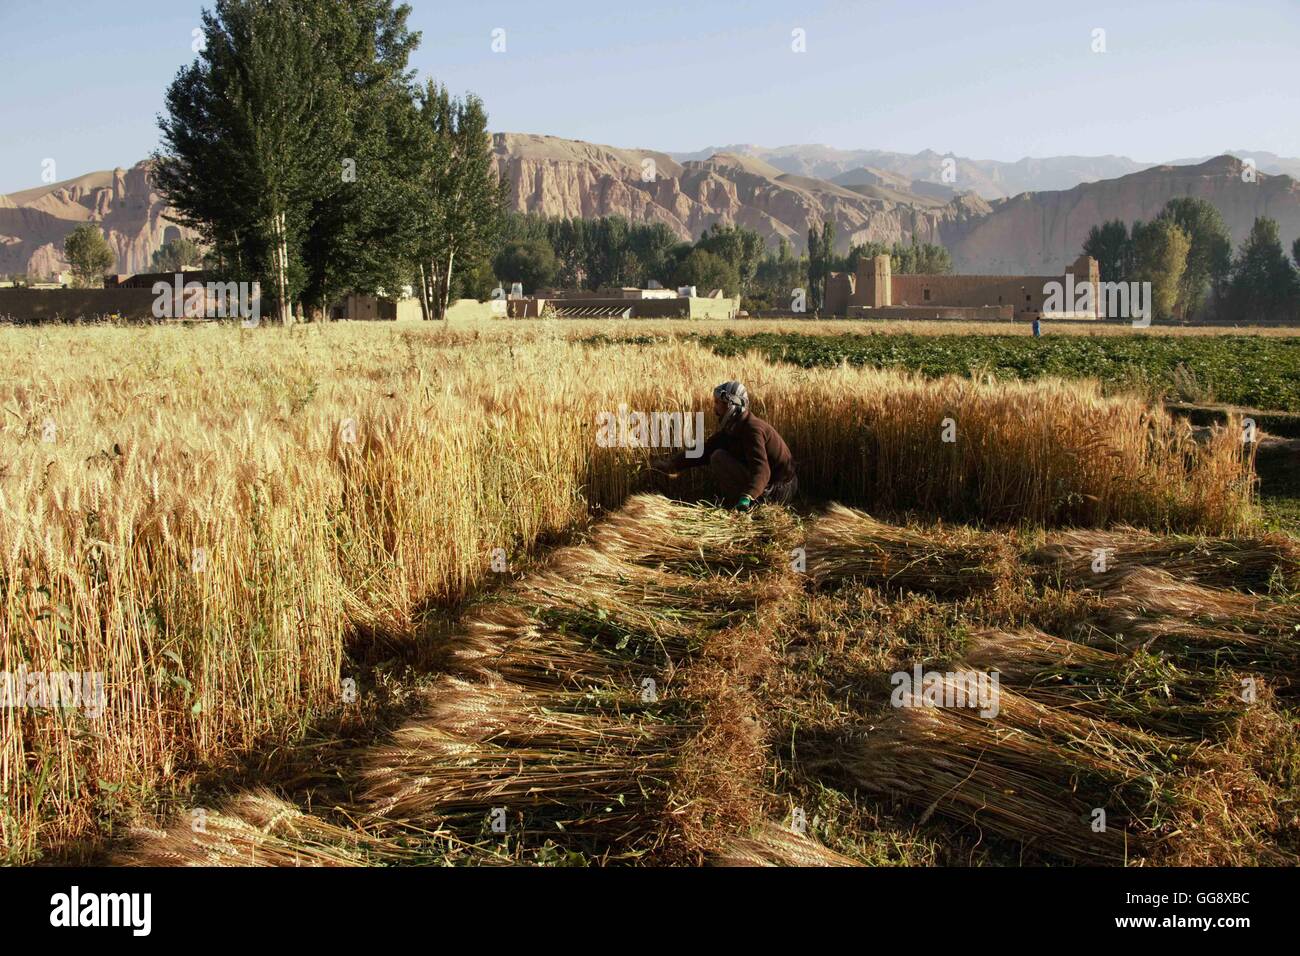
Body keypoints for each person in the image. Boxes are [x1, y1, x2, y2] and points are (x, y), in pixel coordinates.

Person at [652, 381, 797, 511]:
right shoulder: (734, 427)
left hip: (780, 490)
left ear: (731, 405)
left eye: (717, 403)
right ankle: (743, 505)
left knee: (719, 458)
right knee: (715, 453)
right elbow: (705, 450)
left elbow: (762, 470)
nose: (714, 407)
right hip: (771, 485)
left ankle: (745, 506)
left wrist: (748, 496)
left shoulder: (752, 430)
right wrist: (674, 465)